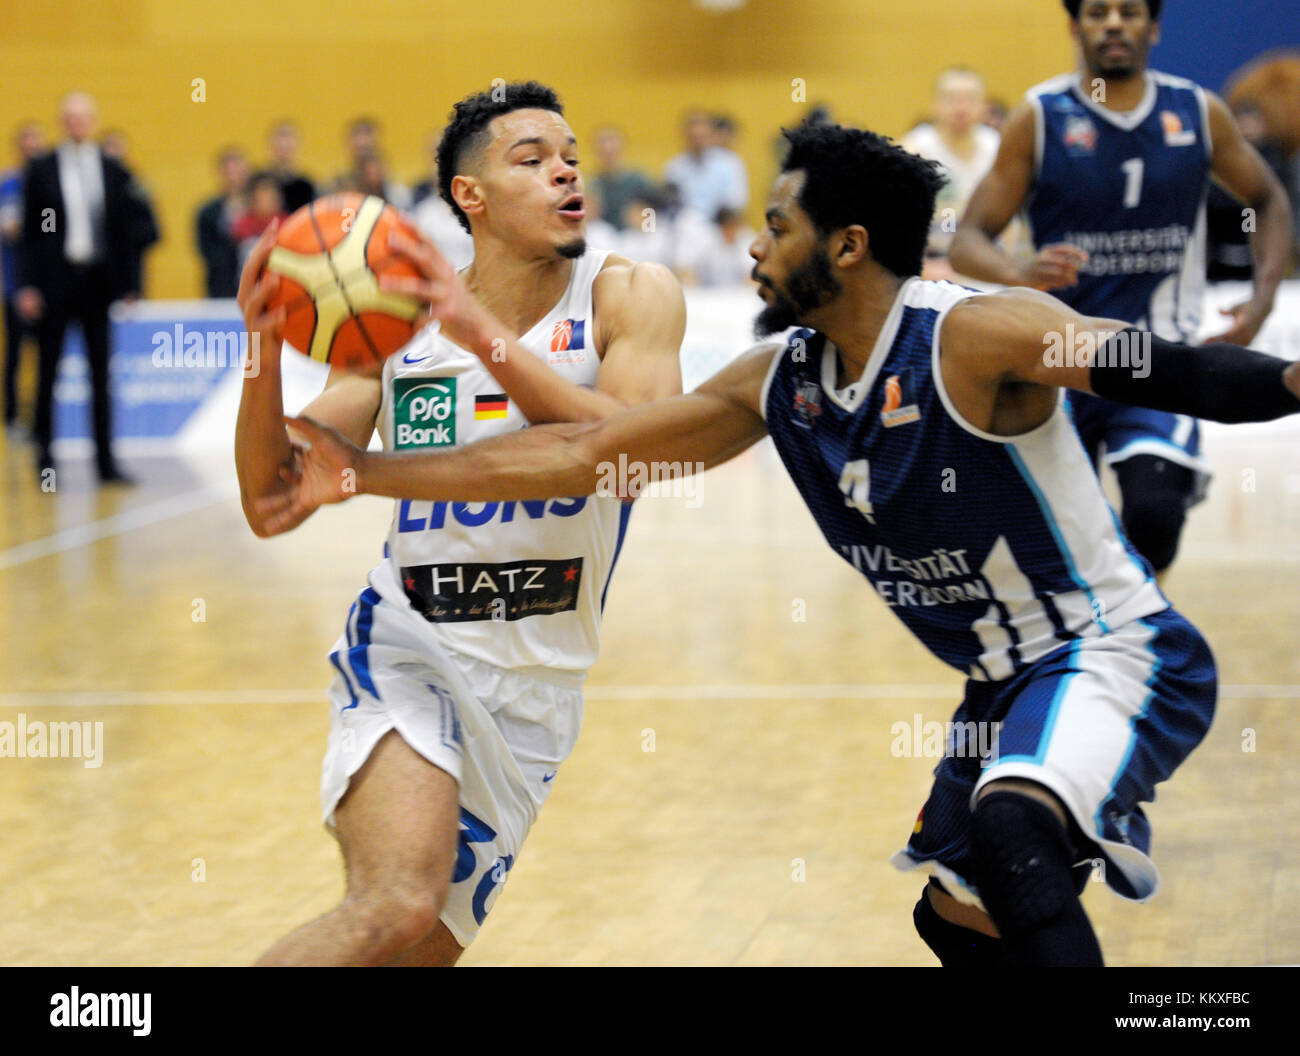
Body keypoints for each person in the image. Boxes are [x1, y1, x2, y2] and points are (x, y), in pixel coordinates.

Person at [257, 118, 1300, 967]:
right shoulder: (776, 382)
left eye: (777, 226)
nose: (752, 247)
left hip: (1112, 649)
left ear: (846, 245)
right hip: (998, 683)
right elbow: (584, 455)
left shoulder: (982, 333)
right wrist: (364, 474)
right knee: (958, 919)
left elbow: (1179, 371)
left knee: (1014, 829)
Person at [234, 81, 684, 966]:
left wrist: (478, 333)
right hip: (411, 647)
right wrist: (259, 353)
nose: (565, 173)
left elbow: (630, 448)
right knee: (393, 905)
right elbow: (269, 499)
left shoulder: (630, 294)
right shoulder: (401, 329)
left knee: (410, 952)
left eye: (571, 158)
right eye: (532, 159)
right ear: (469, 196)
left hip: (539, 688)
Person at [949, 0, 1292, 578]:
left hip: (1156, 353)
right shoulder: (1040, 116)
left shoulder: (1197, 111)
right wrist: (1018, 274)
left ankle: (1132, 636)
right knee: (1043, 547)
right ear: (1074, 26)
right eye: (1097, 12)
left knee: (1155, 516)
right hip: (1055, 356)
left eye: (1129, 11)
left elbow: (1267, 199)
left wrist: (1261, 300)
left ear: (1153, 27)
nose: (1113, 23)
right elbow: (969, 240)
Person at [15, 92, 145, 483]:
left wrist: (130, 284)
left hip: (96, 284)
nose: (77, 123)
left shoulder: (110, 168)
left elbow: (124, 232)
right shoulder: (41, 168)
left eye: (83, 117)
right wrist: (28, 285)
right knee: (48, 374)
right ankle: (46, 463)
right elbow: (34, 232)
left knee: (100, 375)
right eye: (70, 117)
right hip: (55, 283)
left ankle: (105, 464)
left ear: (92, 121)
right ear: (62, 122)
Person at [901, 68, 1002, 276]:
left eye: (970, 99)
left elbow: (1012, 220)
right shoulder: (914, 150)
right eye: (952, 99)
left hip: (987, 261)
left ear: (984, 106)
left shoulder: (998, 148)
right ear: (935, 105)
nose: (961, 107)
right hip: (930, 265)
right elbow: (894, 220)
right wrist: (920, 266)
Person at [2, 121, 47, 432]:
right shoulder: (9, 185)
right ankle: (12, 414)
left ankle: (42, 418)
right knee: (15, 352)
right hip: (15, 283)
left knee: (46, 352)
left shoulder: (49, 182)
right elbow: (10, 229)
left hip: (46, 286)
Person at [664, 109, 747, 221]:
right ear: (685, 137)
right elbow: (671, 204)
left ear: (711, 135)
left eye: (702, 137)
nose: (698, 142)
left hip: (720, 225)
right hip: (686, 226)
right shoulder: (675, 167)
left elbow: (736, 202)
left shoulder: (730, 163)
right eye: (694, 137)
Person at [195, 146, 249, 298]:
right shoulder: (208, 212)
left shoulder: (258, 209)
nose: (233, 177)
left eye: (237, 171)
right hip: (221, 286)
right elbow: (205, 250)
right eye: (228, 172)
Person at [266, 119, 315, 214]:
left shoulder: (305, 186)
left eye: (287, 145)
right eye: (280, 145)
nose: (283, 148)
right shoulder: (262, 184)